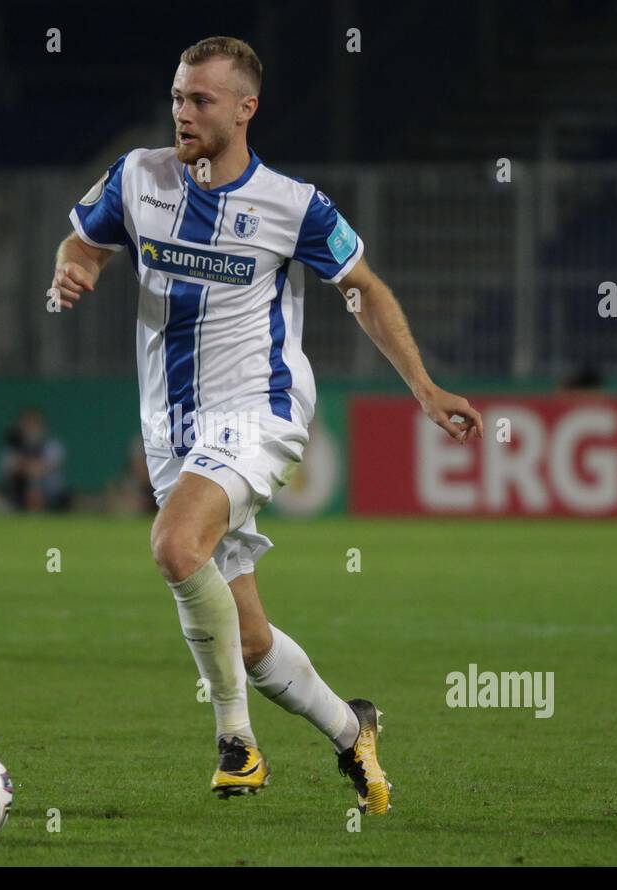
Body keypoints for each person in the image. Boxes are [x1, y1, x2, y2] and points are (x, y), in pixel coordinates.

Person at [51, 37, 483, 814]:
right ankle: (354, 730)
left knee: (174, 545)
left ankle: (237, 745)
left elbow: (364, 288)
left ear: (246, 108)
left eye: (201, 100)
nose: (183, 112)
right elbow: (83, 238)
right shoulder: (137, 177)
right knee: (247, 642)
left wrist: (421, 386)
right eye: (178, 97)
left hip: (261, 410)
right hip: (170, 428)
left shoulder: (292, 205)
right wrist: (75, 265)